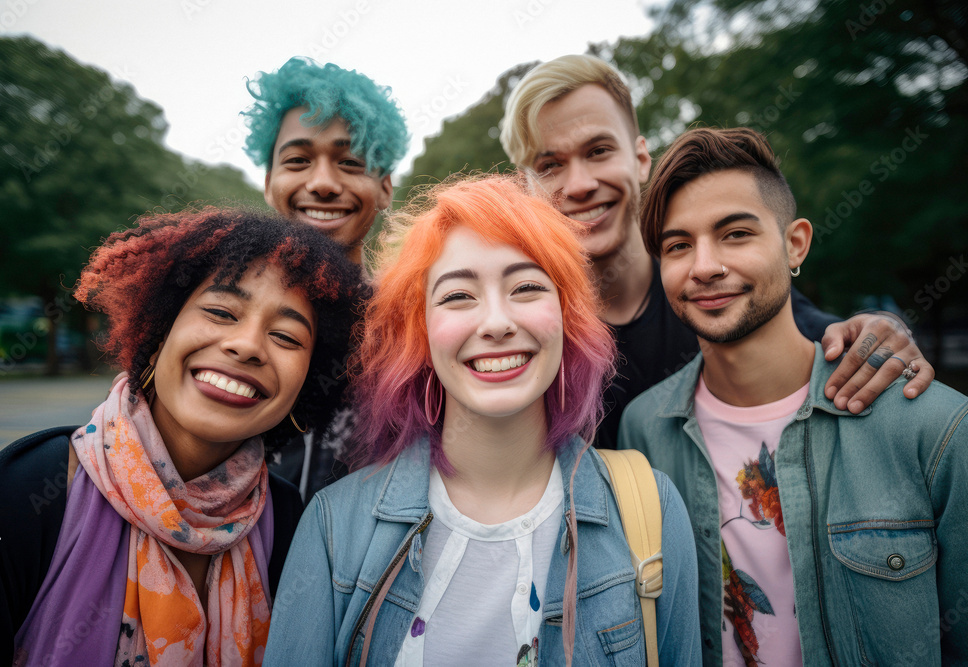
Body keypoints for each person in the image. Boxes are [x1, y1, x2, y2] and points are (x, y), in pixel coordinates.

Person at [264, 176, 701, 666]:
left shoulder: (652, 510)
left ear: (566, 316)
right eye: (458, 296)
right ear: (420, 331)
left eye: (527, 287)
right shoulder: (331, 526)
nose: (496, 322)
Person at [618, 127, 968, 666]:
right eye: (678, 245)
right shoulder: (642, 431)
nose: (705, 266)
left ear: (795, 243)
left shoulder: (933, 428)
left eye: (735, 234)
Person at [0, 207, 366, 666]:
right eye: (220, 311)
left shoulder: (291, 523)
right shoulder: (9, 500)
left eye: (287, 336)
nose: (248, 345)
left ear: (306, 382)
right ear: (159, 334)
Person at [499, 54, 936, 449]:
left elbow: (815, 333)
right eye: (550, 165)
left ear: (640, 159)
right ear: (528, 187)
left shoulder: (711, 288)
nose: (579, 185)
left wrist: (878, 333)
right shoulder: (519, 323)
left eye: (599, 151)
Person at [241, 56, 410, 501]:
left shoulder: (419, 331)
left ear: (386, 188)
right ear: (269, 181)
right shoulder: (210, 319)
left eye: (350, 162)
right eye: (298, 160)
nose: (322, 183)